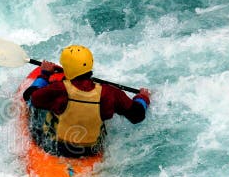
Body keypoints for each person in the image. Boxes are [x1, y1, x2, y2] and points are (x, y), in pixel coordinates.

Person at [22, 45, 151, 157]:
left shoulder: (58, 89)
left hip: (55, 147)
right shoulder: (109, 92)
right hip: (91, 151)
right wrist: (143, 98)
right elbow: (137, 115)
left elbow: (29, 96)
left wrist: (44, 75)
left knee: (34, 109)